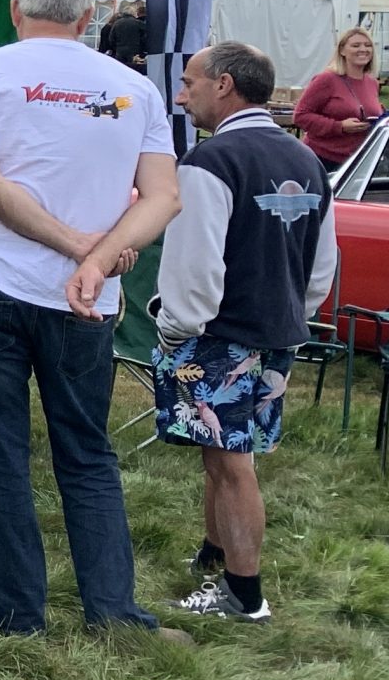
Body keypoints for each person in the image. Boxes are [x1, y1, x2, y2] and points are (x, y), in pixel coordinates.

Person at [0, 0, 179, 636]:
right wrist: (98, 255)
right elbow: (164, 196)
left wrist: (81, 249)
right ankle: (114, 612)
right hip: (86, 301)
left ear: (17, 10)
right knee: (86, 450)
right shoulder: (135, 90)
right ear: (88, 16)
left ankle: (19, 614)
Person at [144, 42, 338, 623]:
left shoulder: (211, 161)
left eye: (189, 82)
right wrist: (291, 314)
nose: (181, 95)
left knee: (232, 465)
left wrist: (176, 330)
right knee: (227, 453)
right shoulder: (306, 161)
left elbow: (195, 264)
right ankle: (217, 550)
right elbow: (321, 265)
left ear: (224, 85)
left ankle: (243, 594)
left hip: (218, 335)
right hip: (277, 331)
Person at [292, 26, 382, 168]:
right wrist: (339, 127)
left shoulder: (372, 83)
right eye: (355, 45)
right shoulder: (327, 80)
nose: (363, 49)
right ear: (342, 51)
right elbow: (300, 116)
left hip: (357, 161)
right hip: (321, 159)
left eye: (368, 45)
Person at [99, 0, 150, 75]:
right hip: (134, 52)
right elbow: (146, 36)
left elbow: (111, 38)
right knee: (133, 72)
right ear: (133, 13)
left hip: (120, 52)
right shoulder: (138, 23)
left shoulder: (116, 23)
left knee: (121, 72)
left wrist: (116, 47)